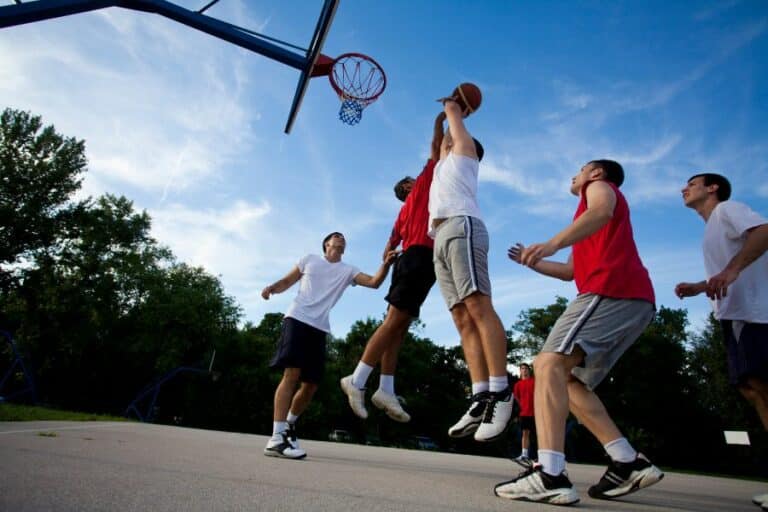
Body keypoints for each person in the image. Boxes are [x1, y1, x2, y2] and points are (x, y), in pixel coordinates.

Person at [496, 160, 663, 505]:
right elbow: (569, 272)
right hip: (630, 299)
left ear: (597, 173)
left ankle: (550, 474)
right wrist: (533, 260)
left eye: (583, 168)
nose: (576, 174)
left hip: (610, 290)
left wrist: (551, 243)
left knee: (548, 365)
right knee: (569, 383)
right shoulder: (586, 226)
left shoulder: (597, 190)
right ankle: (626, 461)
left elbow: (601, 211)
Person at [341, 112, 445, 423]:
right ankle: (357, 379)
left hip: (410, 261)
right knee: (393, 324)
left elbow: (387, 249)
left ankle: (386, 388)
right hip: (418, 258)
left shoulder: (402, 215)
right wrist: (440, 120)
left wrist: (387, 263)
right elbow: (436, 147)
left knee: (399, 326)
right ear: (410, 186)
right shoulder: (423, 187)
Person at [674, 172, 768, 510]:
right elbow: (726, 269)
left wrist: (731, 270)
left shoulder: (728, 209)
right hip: (735, 315)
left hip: (755, 313)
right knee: (751, 388)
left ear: (712, 188)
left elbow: (764, 231)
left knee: (760, 385)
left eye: (692, 184)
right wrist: (700, 286)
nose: (684, 189)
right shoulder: (711, 228)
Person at [262, 232, 396, 459]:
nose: (341, 238)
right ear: (327, 244)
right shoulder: (310, 259)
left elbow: (374, 283)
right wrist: (271, 288)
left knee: (311, 385)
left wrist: (386, 264)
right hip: (297, 319)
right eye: (336, 236)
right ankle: (276, 438)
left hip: (319, 328)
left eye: (343, 237)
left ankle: (289, 425)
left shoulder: (348, 270)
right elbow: (287, 281)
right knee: (291, 374)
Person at [428, 93, 513, 443]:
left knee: (478, 305)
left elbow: (455, 129)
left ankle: (500, 392)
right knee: (461, 317)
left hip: (463, 226)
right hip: (441, 236)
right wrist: (440, 121)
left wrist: (453, 106)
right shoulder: (442, 165)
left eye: (453, 137)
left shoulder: (465, 157)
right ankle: (480, 397)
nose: (448, 141)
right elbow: (438, 143)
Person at [513, 363, 535, 466]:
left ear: (529, 370)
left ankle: (542, 455)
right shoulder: (518, 385)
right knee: (525, 433)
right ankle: (524, 454)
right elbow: (516, 400)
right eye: (522, 368)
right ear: (520, 371)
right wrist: (517, 414)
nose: (524, 370)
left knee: (539, 434)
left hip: (536, 412)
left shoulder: (534, 382)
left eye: (526, 368)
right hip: (524, 413)